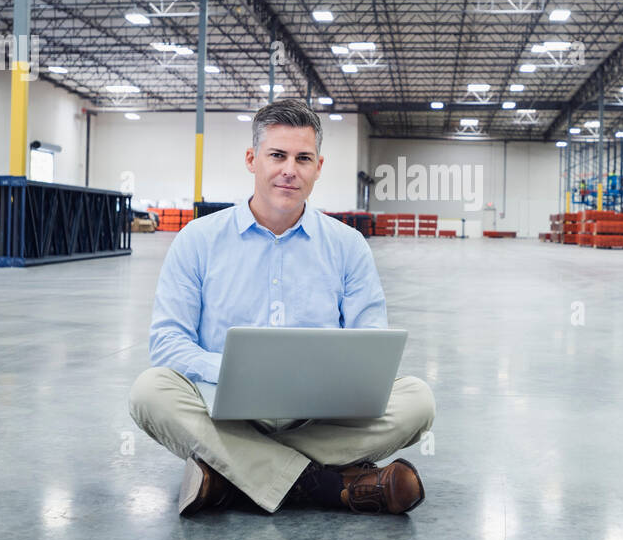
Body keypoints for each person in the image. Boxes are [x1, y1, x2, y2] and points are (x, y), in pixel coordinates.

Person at [128, 98, 435, 517]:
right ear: (252, 159)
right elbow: (167, 341)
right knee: (150, 392)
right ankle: (328, 485)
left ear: (318, 167)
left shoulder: (347, 246)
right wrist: (233, 373)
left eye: (303, 158)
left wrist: (337, 384)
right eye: (277, 155)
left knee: (417, 400)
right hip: (224, 410)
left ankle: (228, 474)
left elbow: (372, 342)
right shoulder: (198, 240)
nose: (290, 169)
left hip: (319, 416)